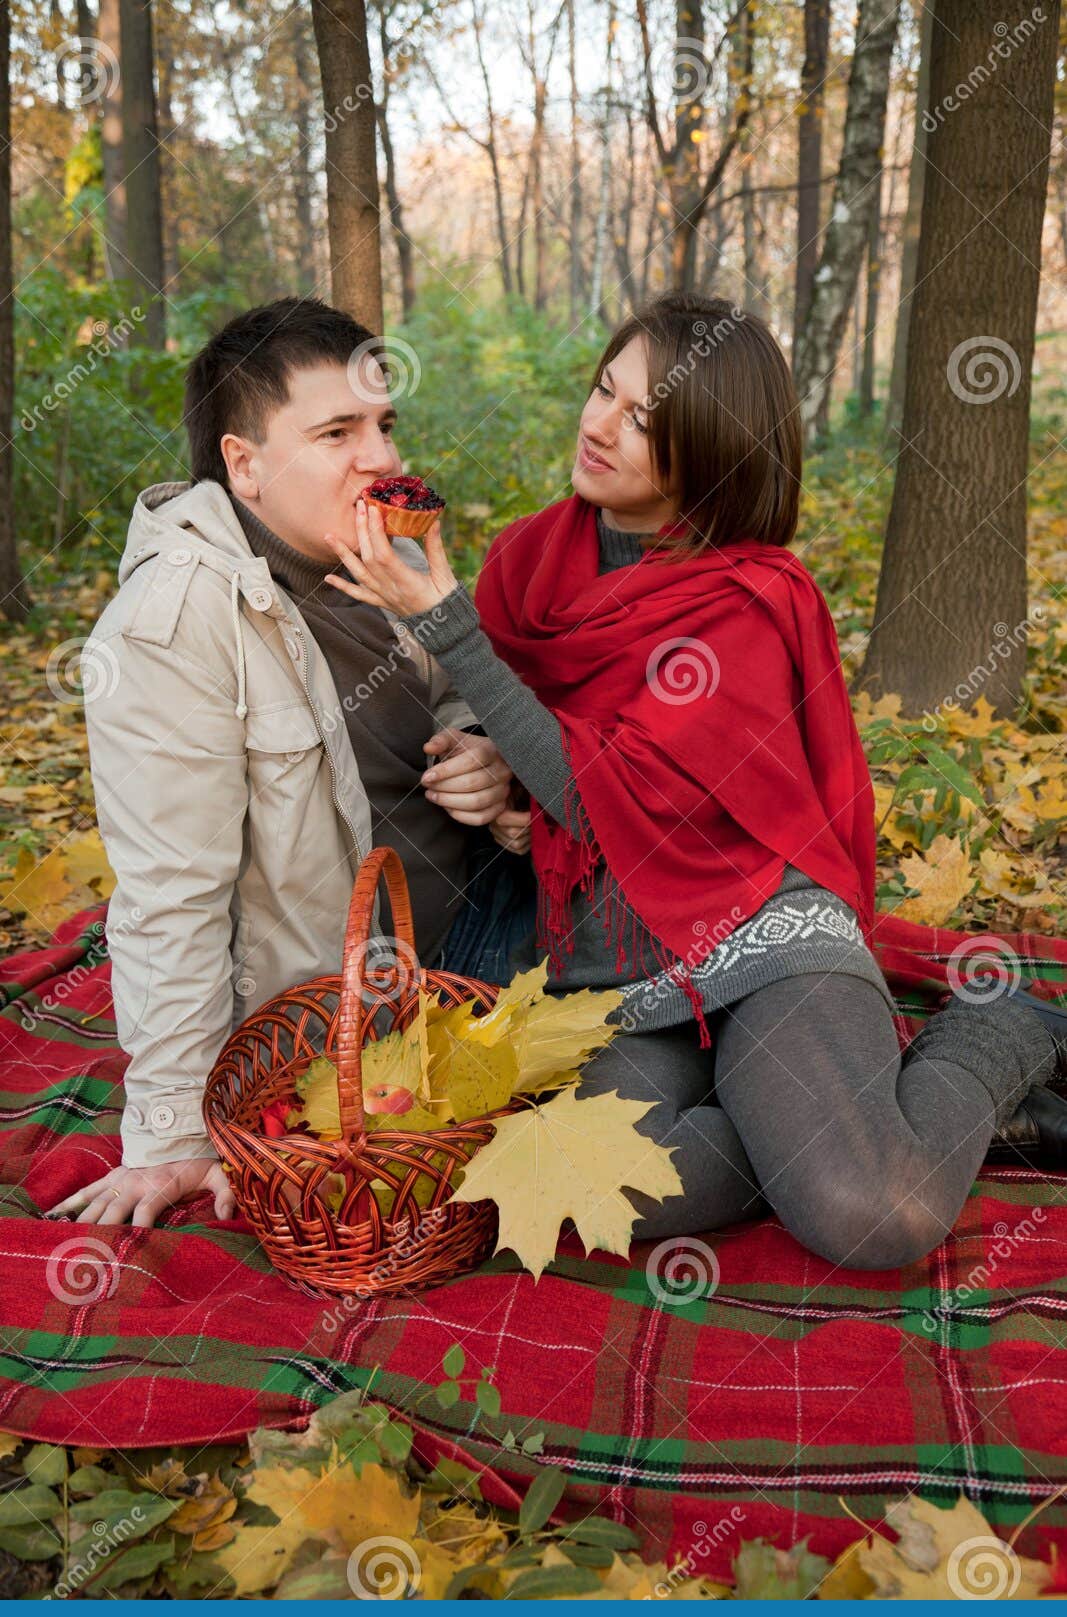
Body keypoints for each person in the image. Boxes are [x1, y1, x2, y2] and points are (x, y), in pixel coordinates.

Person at [319, 290, 1067, 1272]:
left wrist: (447, 623)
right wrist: (485, 760)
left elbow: (597, 791)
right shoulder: (529, 559)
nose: (597, 425)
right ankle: (821, 1120)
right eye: (602, 389)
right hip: (616, 966)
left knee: (873, 1209)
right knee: (567, 1184)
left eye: (642, 419)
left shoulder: (746, 600)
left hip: (755, 933)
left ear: (709, 451)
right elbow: (502, 709)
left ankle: (999, 1030)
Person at [45, 297, 516, 1230]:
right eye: (337, 431)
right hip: (360, 1012)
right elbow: (169, 897)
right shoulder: (173, 624)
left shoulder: (370, 551)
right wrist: (174, 1131)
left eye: (383, 425)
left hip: (489, 914)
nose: (379, 457)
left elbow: (450, 692)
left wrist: (483, 750)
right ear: (243, 462)